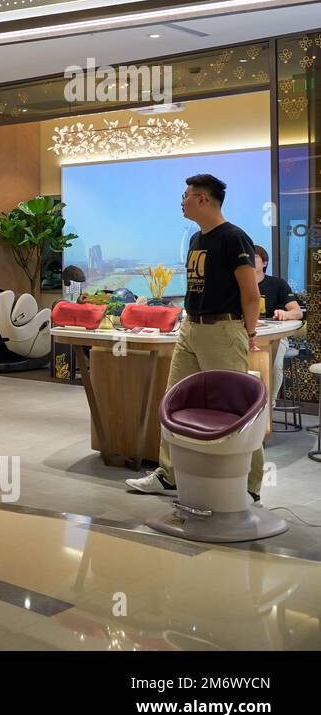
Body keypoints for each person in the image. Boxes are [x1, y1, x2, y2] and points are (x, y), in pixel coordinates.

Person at [126, 174, 263, 500]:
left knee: (236, 407)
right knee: (174, 400)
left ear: (203, 199)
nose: (182, 201)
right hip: (191, 328)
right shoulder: (195, 240)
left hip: (223, 330)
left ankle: (249, 484)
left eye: (186, 195)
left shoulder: (234, 238)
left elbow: (251, 293)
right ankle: (168, 473)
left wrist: (250, 333)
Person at [252, 244, 303, 399]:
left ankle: (270, 402)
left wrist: (284, 314)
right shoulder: (237, 285)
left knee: (273, 365)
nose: (248, 260)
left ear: (265, 263)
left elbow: (298, 312)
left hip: (275, 336)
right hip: (245, 335)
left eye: (253, 257)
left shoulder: (277, 284)